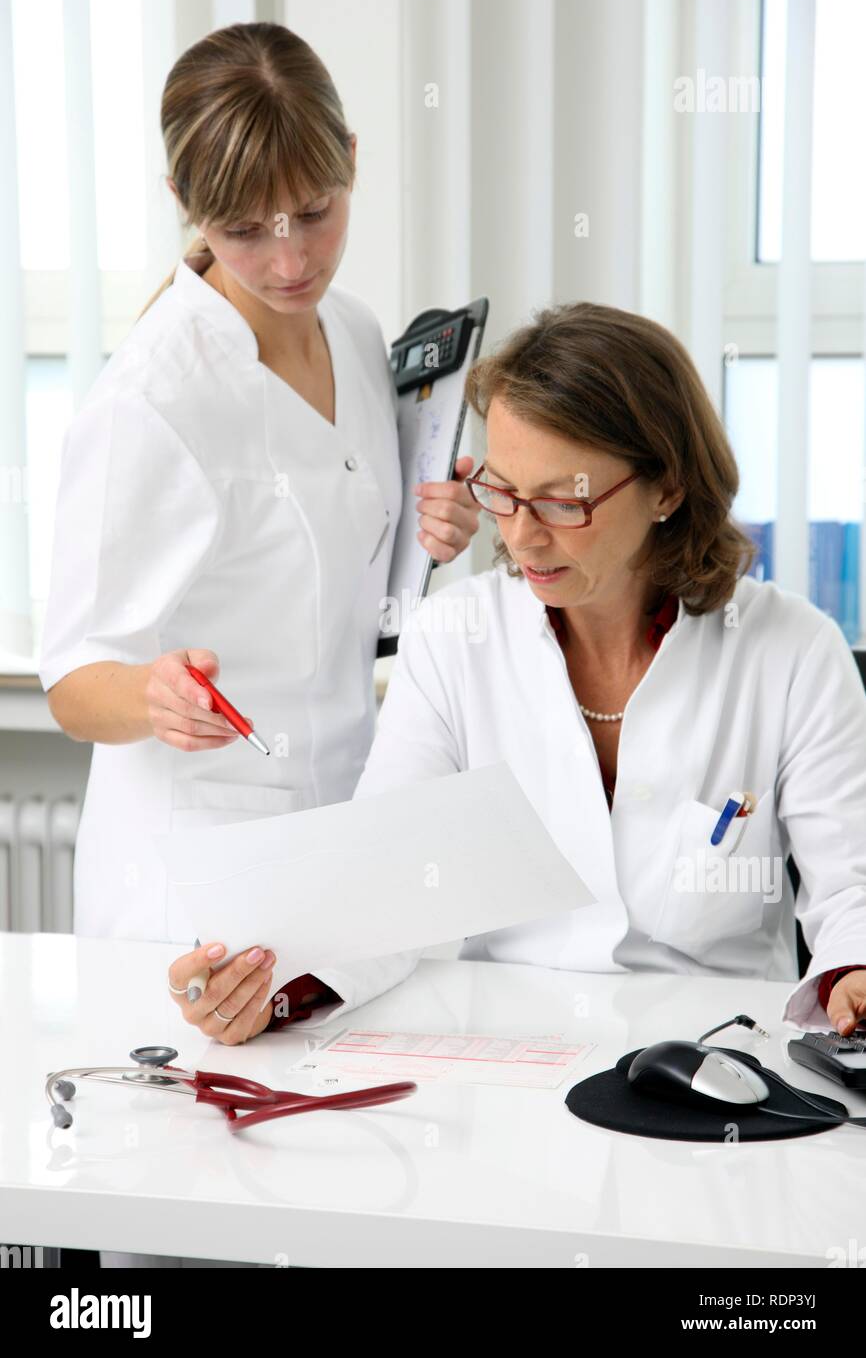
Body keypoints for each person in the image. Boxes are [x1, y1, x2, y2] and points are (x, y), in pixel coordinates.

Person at [168, 302, 866, 1043]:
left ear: (667, 488)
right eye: (501, 492)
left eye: (565, 502)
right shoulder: (454, 638)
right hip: (513, 1061)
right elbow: (387, 883)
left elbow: (852, 894)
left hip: (716, 1053)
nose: (523, 537)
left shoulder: (793, 652)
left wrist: (854, 975)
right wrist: (273, 987)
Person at [38, 23, 480, 951]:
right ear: (184, 206)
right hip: (193, 877)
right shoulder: (150, 402)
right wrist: (151, 692)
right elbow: (74, 683)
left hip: (345, 817)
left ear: (352, 161)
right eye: (243, 231)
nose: (292, 263)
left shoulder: (357, 337)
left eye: (316, 211)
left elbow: (364, 553)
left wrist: (439, 522)